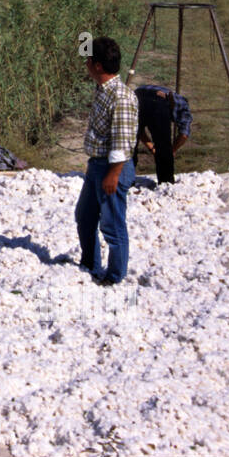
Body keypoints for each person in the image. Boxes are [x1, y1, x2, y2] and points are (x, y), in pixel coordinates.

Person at [74, 36, 137, 286]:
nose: (86, 64)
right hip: (96, 166)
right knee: (84, 216)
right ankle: (89, 263)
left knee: (112, 224)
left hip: (112, 169)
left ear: (97, 65)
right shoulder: (103, 90)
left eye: (89, 60)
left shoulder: (121, 98)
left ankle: (114, 276)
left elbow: (122, 142)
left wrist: (114, 175)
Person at [133, 84, 192, 184]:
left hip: (136, 95)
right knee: (164, 147)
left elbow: (139, 130)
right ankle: (166, 184)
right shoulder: (184, 109)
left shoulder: (174, 101)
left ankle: (126, 182)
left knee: (130, 142)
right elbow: (184, 134)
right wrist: (172, 151)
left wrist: (151, 147)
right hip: (157, 101)